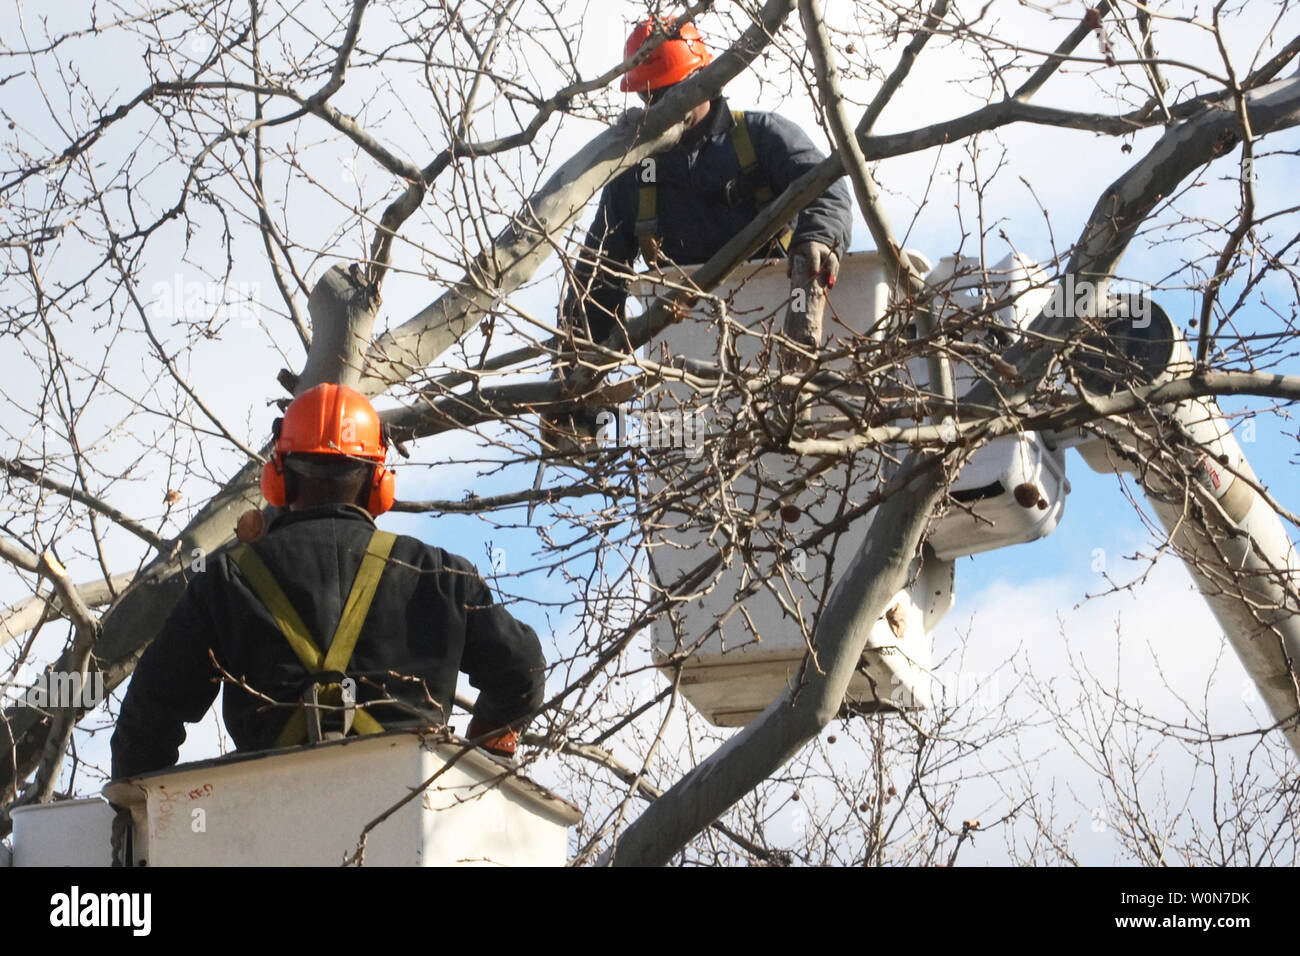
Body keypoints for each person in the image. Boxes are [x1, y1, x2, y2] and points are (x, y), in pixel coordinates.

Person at [110, 383, 546, 778]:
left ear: (279, 478)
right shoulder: (440, 576)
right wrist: (480, 759)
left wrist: (147, 826)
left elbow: (144, 724)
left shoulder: (225, 581)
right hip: (413, 822)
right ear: (379, 482)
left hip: (264, 836)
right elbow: (522, 670)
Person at [542, 16, 854, 448]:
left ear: (704, 81)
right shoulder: (636, 177)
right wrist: (571, 385)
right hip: (687, 372)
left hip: (782, 311)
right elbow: (598, 283)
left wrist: (817, 239)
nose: (662, 105)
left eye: (670, 92)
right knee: (690, 472)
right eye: (651, 96)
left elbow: (827, 184)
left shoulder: (760, 137)